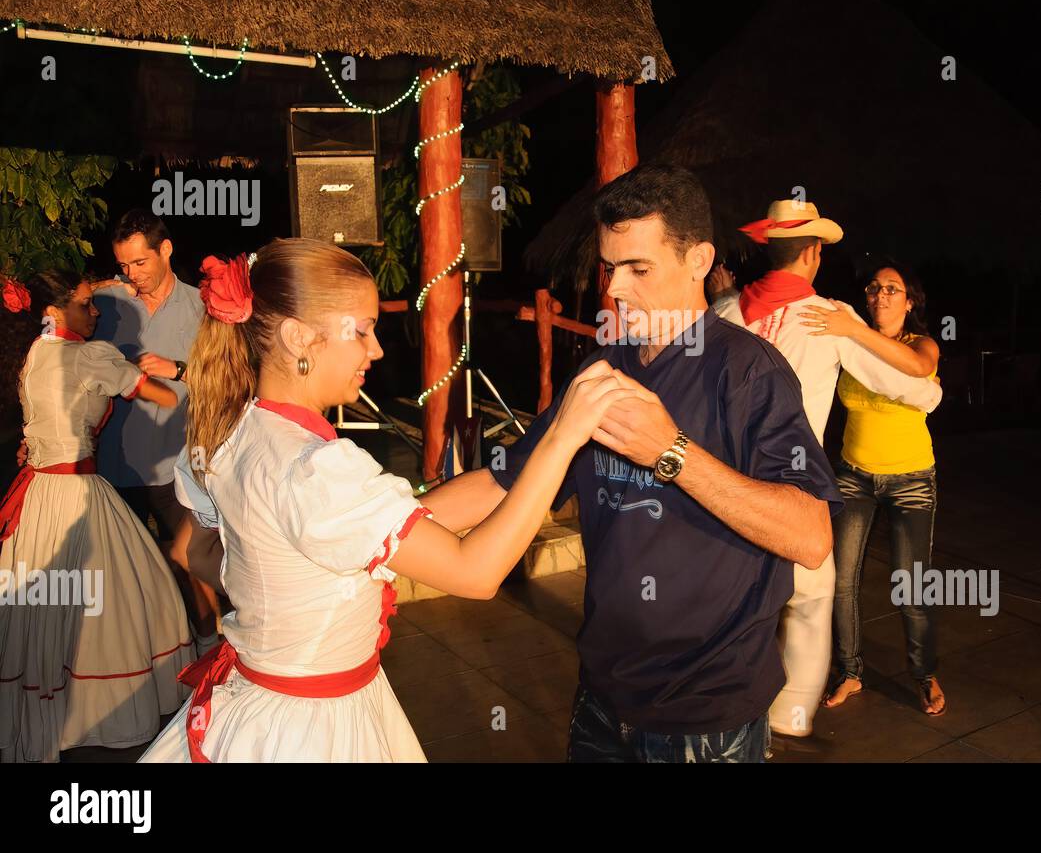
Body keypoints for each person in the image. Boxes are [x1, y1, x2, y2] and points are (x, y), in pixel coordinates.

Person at [139, 239, 633, 762]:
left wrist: (280, 586)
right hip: (313, 724)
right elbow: (476, 572)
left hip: (257, 697)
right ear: (298, 337)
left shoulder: (226, 430)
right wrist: (563, 438)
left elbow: (195, 551)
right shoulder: (317, 468)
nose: (375, 350)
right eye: (362, 330)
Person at [424, 164, 844, 763]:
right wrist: (391, 528)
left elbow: (810, 536)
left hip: (706, 714)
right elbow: (505, 479)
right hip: (602, 699)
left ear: (699, 260)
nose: (616, 289)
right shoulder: (603, 370)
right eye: (610, 267)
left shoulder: (747, 373)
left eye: (638, 268)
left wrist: (672, 453)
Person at [706, 200, 942, 741]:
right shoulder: (831, 317)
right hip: (793, 489)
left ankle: (731, 709)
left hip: (723, 487)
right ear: (812, 252)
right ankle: (788, 714)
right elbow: (905, 384)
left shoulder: (723, 313)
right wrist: (928, 390)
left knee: (738, 603)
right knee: (811, 600)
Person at [0, 269, 194, 762]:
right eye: (87, 304)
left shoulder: (34, 356)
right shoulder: (90, 355)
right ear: (55, 311)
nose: (96, 312)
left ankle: (43, 707)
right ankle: (97, 713)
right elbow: (163, 396)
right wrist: (161, 375)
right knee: (120, 600)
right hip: (77, 493)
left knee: (40, 604)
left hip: (38, 494)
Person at [800, 258, 946, 715]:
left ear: (910, 301)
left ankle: (924, 675)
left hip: (911, 480)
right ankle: (850, 671)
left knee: (912, 586)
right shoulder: (850, 346)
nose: (879, 294)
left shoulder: (922, 343)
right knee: (840, 581)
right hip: (853, 475)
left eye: (891, 288)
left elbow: (919, 369)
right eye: (873, 288)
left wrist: (853, 329)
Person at [91, 209, 219, 655]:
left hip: (177, 462)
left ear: (165, 250)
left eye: (140, 262)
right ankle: (151, 662)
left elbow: (230, 377)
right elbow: (66, 338)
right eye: (124, 265)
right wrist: (96, 287)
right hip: (113, 463)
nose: (132, 274)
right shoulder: (106, 304)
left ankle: (209, 648)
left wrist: (178, 370)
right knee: (128, 574)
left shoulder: (202, 306)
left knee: (190, 567)